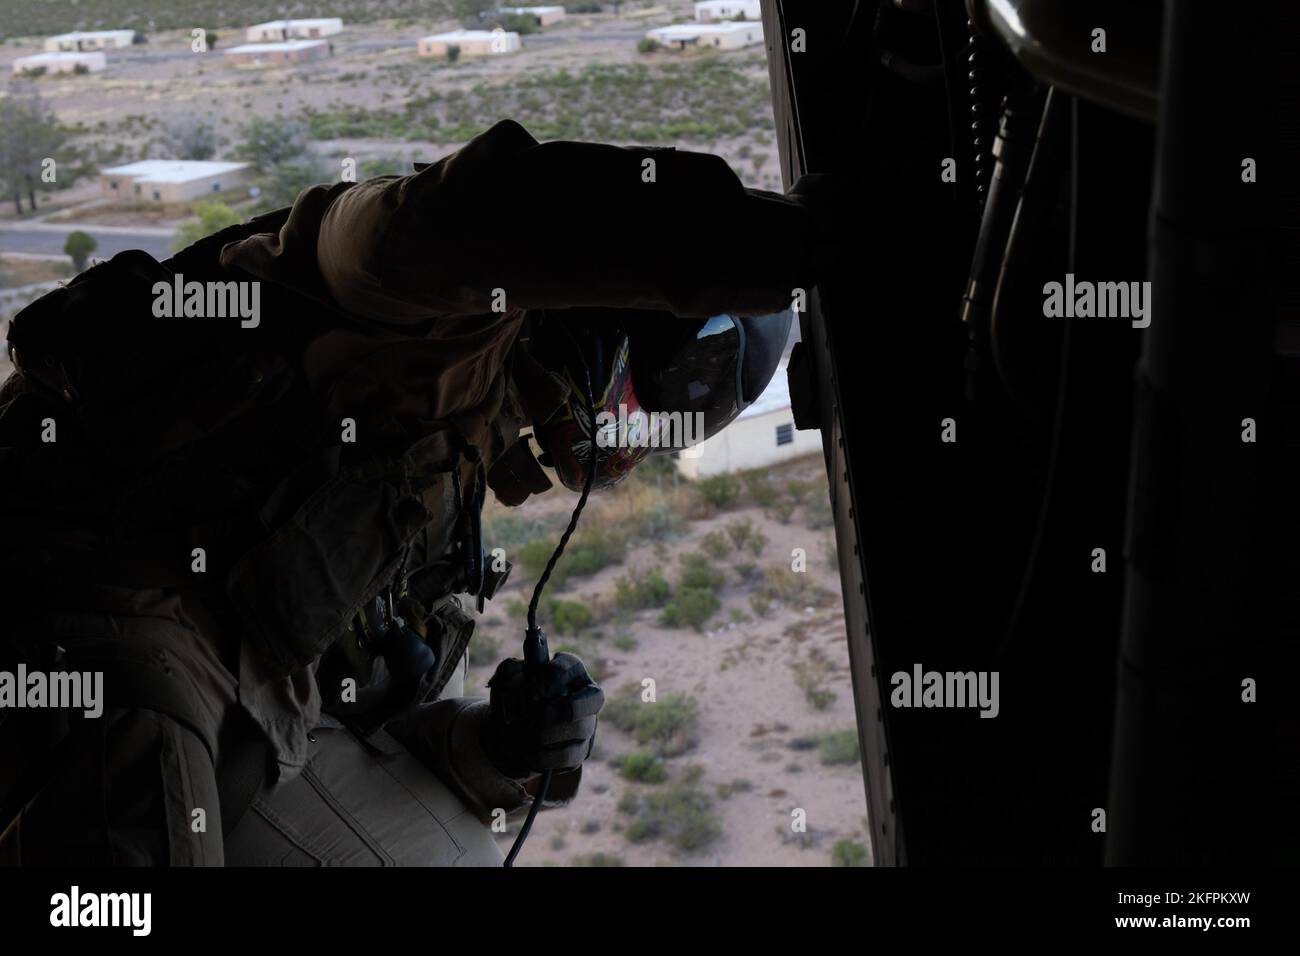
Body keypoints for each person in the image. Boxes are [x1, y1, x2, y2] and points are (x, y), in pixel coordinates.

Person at [0, 119, 827, 865]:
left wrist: (495, 749)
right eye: (649, 399)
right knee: (136, 748)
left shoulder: (463, 445)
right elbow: (478, 214)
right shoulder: (401, 294)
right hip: (86, 600)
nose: (632, 429)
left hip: (232, 696)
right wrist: (792, 242)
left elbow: (330, 700)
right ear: (608, 307)